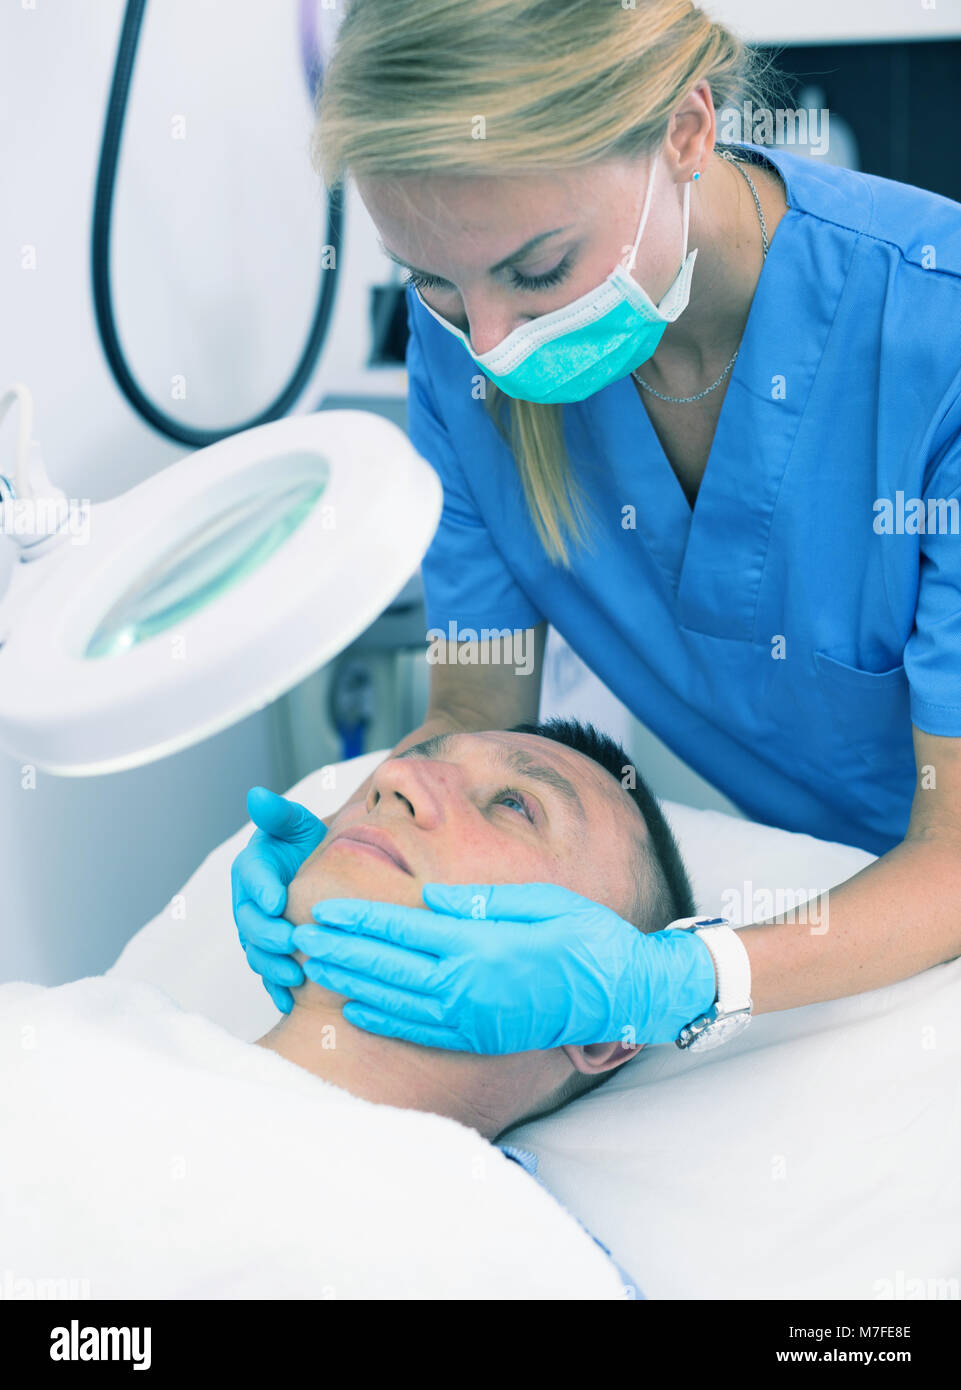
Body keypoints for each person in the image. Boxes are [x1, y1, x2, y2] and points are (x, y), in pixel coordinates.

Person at [235, 0, 961, 1061]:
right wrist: (357, 834)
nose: (487, 345)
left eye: (537, 272)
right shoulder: (470, 359)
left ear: (685, 131)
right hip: (835, 924)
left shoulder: (930, 346)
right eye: (433, 283)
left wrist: (684, 978)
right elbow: (478, 702)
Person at [253, 716, 698, 1297]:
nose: (394, 774)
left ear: (599, 1026)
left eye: (514, 805)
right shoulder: (103, 1037)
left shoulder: (515, 1270)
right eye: (424, 760)